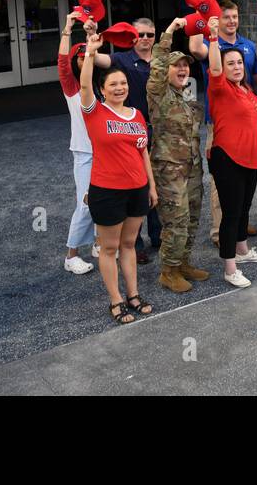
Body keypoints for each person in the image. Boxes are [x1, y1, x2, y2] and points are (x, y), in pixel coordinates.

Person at [78, 30, 158, 324]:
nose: (120, 87)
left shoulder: (137, 115)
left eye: (123, 83)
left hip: (137, 189)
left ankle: (134, 294)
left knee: (129, 245)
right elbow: (84, 83)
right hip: (108, 190)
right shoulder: (94, 112)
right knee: (109, 248)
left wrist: (151, 186)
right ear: (102, 89)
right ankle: (116, 300)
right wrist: (90, 52)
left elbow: (142, 152)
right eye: (113, 84)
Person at [189, 0, 257, 247]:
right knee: (222, 179)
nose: (231, 21)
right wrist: (200, 15)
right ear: (217, 20)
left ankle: (237, 225)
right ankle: (220, 231)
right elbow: (194, 48)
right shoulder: (211, 44)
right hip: (219, 122)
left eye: (234, 16)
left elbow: (256, 81)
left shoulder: (248, 46)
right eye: (226, 17)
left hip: (247, 117)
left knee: (245, 176)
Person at [205, 30, 257, 288]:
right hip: (228, 158)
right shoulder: (220, 89)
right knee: (231, 213)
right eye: (230, 63)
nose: (236, 67)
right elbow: (214, 67)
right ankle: (230, 268)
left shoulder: (247, 91)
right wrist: (212, 39)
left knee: (244, 208)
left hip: (250, 158)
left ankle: (242, 250)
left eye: (240, 62)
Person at [147, 18, 207, 293]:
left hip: (192, 167)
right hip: (169, 170)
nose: (183, 69)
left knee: (192, 217)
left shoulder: (186, 96)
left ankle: (183, 262)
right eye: (177, 66)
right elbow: (157, 65)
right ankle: (168, 272)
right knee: (176, 220)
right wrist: (169, 32)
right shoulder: (159, 93)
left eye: (186, 65)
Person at [57, 14, 96, 275]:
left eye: (87, 57)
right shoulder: (72, 88)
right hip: (84, 153)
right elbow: (61, 63)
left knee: (105, 199)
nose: (84, 59)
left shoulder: (104, 85)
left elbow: (96, 48)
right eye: (79, 58)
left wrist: (93, 30)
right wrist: (67, 30)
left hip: (106, 152)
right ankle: (71, 255)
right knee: (85, 203)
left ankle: (99, 242)